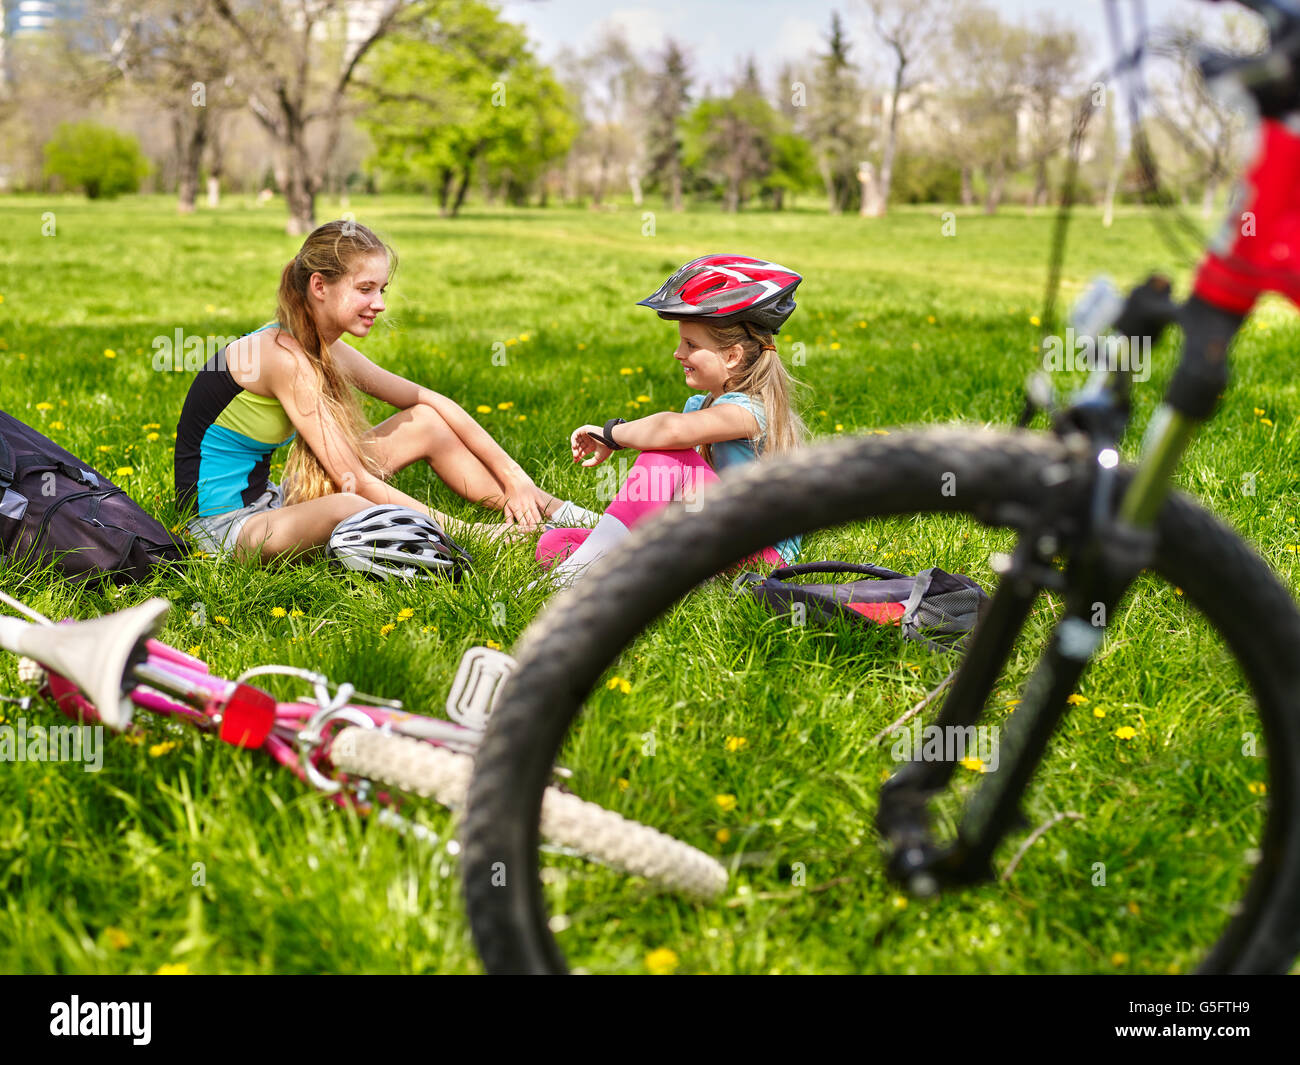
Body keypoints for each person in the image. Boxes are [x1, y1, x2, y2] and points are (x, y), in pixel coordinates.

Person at [174, 220, 597, 562]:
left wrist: (516, 479)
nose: (379, 304)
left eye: (381, 289)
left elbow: (429, 401)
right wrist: (476, 534)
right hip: (224, 530)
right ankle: (488, 537)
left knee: (425, 423)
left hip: (271, 502)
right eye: (365, 289)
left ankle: (556, 511)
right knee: (350, 505)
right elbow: (352, 481)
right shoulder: (281, 356)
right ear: (319, 287)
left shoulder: (321, 346)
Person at [534, 254, 806, 587]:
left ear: (732, 356)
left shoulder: (752, 410)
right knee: (553, 544)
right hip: (713, 534)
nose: (678, 353)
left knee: (667, 454)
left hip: (758, 552)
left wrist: (612, 434)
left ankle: (565, 584)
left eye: (691, 344)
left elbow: (669, 432)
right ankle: (635, 572)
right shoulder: (702, 405)